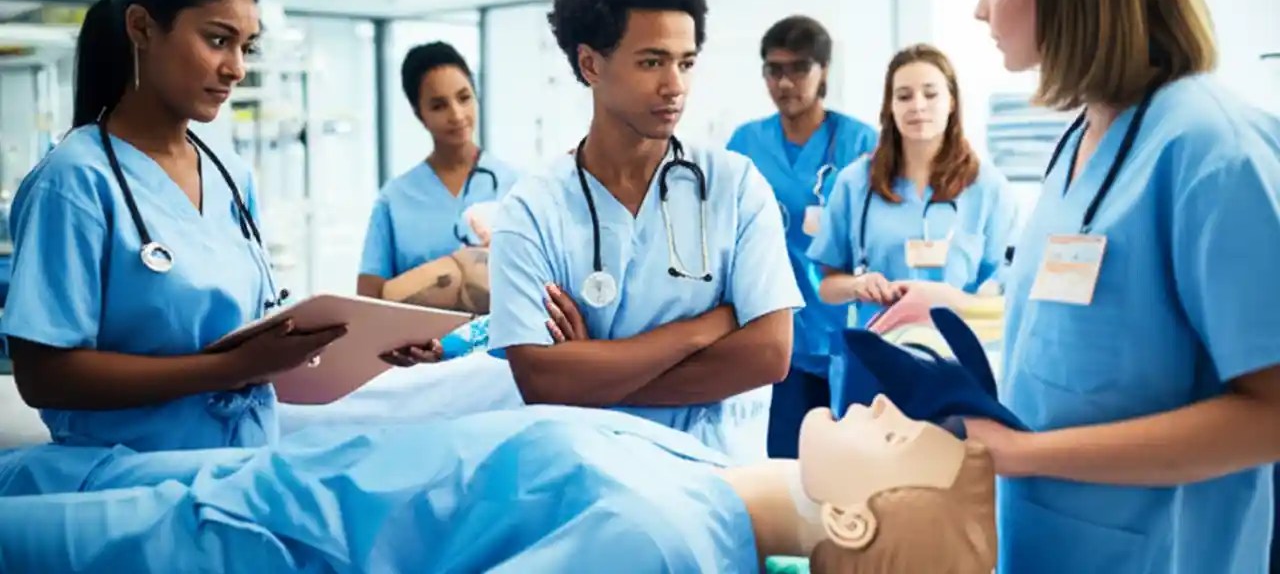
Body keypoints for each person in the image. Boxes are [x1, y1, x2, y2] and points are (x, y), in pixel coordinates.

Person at [957, 0, 1280, 573]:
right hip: (1044, 539)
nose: (981, 10)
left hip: (1163, 551)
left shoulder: (1212, 151)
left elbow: (1272, 414)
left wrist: (1027, 453)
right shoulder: (1080, 136)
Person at [0, 0, 363, 454]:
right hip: (134, 483)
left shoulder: (231, 176)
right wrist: (227, 370)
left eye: (246, 47)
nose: (236, 67)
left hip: (244, 461)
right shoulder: (76, 181)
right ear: (142, 28)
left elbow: (250, 341)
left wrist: (361, 348)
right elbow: (44, 376)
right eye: (218, 40)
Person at [0, 395, 998, 574]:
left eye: (902, 442)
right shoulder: (707, 477)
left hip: (255, 537)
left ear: (849, 517)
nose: (885, 413)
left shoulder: (662, 547)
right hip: (265, 475)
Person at [486, 0, 803, 464]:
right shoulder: (532, 211)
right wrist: (697, 332)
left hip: (722, 484)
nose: (674, 85)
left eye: (686, 62)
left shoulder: (734, 185)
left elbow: (769, 354)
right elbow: (540, 376)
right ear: (590, 63)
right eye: (652, 62)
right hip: (592, 484)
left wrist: (593, 376)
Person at [807, 44, 1017, 414]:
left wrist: (947, 298)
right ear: (890, 106)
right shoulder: (856, 183)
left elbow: (1005, 297)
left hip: (959, 364)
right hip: (877, 361)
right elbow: (827, 286)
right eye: (903, 96)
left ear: (952, 102)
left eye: (930, 94)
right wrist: (858, 285)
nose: (917, 105)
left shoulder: (988, 187)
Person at [726, 15, 878, 459]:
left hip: (846, 329)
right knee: (785, 464)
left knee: (852, 466)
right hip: (776, 330)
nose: (785, 82)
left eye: (799, 69)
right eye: (774, 70)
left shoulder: (860, 142)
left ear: (824, 71)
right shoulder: (746, 142)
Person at [356, 42, 515, 311]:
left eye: (464, 98)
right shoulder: (395, 199)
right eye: (438, 105)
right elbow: (369, 296)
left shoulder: (516, 186)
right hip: (416, 348)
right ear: (420, 114)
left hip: (499, 349)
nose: (456, 115)